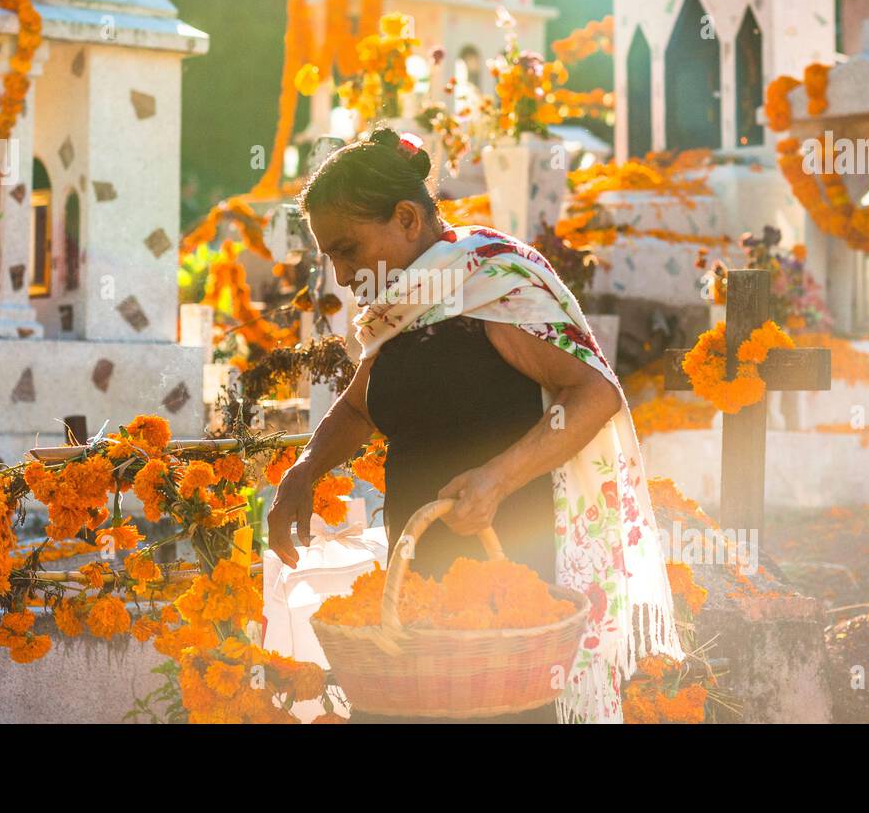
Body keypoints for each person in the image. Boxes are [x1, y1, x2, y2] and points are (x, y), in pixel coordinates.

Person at [268, 127, 681, 724]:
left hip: (506, 585)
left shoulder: (489, 285)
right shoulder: (402, 307)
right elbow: (360, 408)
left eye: (348, 249)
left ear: (408, 219)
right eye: (330, 256)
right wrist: (305, 470)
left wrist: (497, 480)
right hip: (420, 587)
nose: (340, 274)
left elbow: (594, 392)